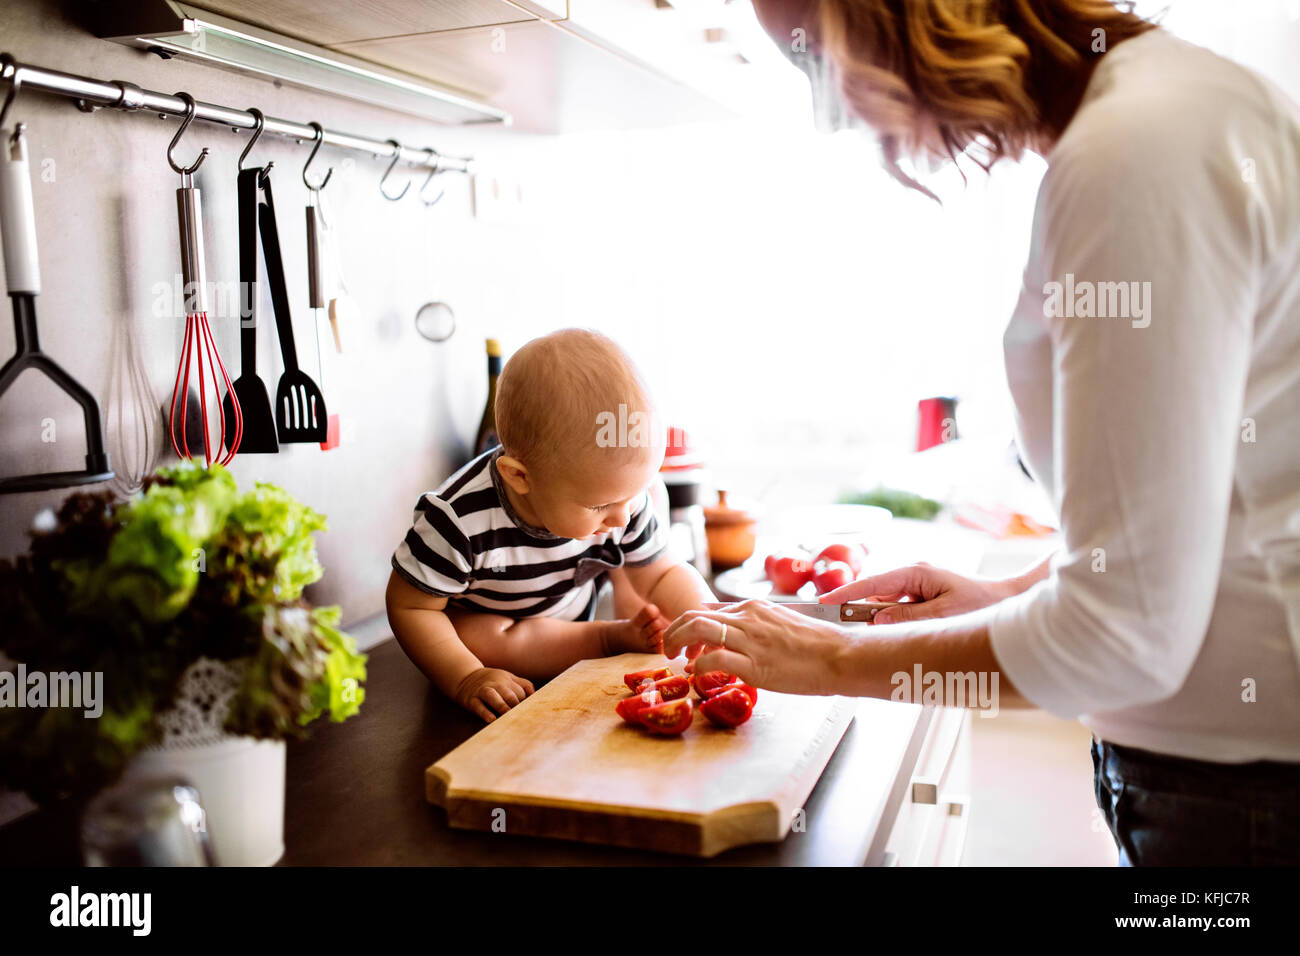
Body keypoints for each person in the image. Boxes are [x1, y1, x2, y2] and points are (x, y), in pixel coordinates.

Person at [664, 0, 1300, 865]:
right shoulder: (1172, 109)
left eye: (817, 62)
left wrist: (836, 657)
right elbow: (1211, 503)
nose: (829, 112)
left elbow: (1120, 642)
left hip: (1243, 806)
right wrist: (1009, 599)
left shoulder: (1135, 152)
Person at [386, 328, 715, 723]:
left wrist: (709, 622)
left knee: (639, 566)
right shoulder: (458, 520)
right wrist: (465, 676)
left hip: (565, 612)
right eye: (599, 505)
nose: (622, 517)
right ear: (519, 477)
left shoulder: (618, 497)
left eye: (635, 494)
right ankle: (607, 637)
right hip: (493, 632)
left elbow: (662, 575)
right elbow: (410, 605)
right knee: (480, 636)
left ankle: (611, 634)